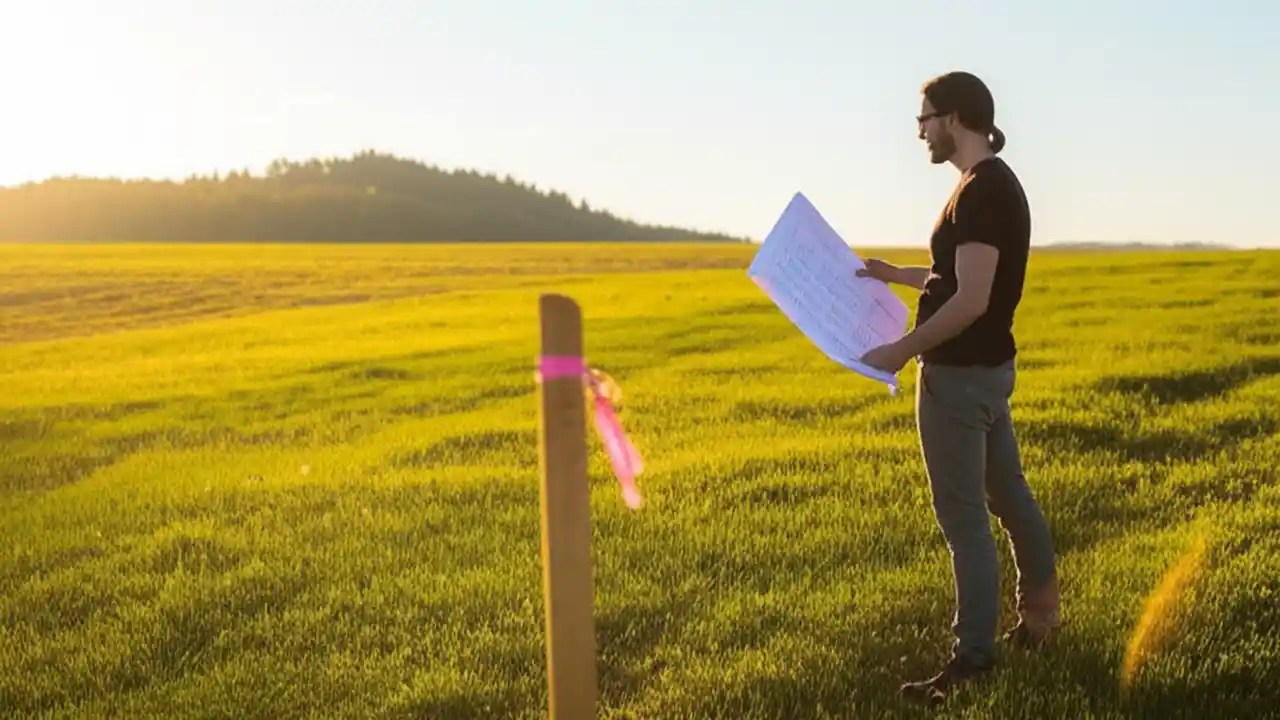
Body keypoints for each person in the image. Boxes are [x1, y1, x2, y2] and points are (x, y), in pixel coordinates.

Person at [857, 71, 1060, 705]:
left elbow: (971, 300)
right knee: (1009, 496)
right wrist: (897, 274)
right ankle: (1042, 622)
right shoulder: (991, 185)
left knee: (965, 519)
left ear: (955, 118)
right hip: (988, 372)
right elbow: (958, 279)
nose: (919, 130)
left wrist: (899, 350)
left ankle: (973, 661)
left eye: (925, 118)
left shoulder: (979, 193)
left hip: (959, 377)